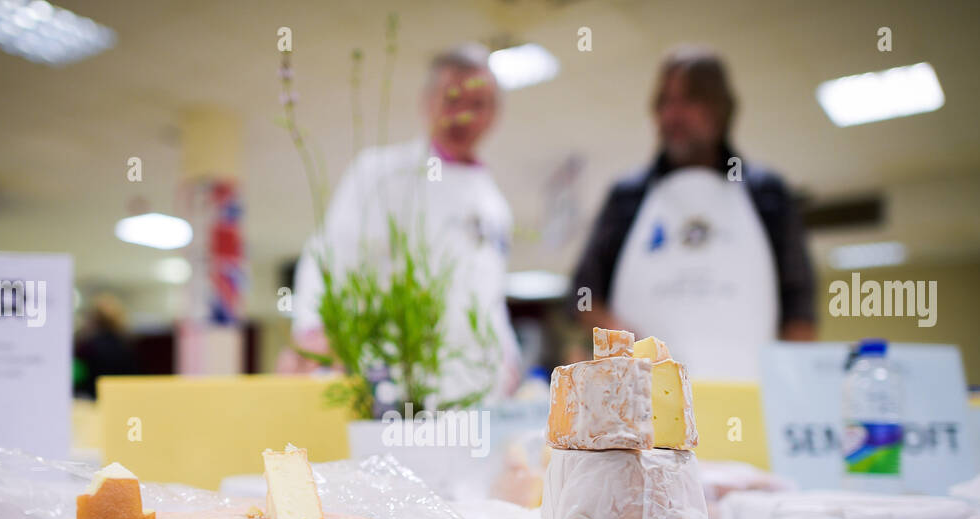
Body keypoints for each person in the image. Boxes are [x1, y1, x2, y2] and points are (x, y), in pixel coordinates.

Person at [281, 43, 521, 405]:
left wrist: (509, 355)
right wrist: (311, 331)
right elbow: (328, 253)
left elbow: (488, 295)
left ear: (495, 115)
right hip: (401, 381)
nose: (464, 116)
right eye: (452, 100)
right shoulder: (381, 173)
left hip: (481, 388)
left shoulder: (495, 204)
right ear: (427, 103)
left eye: (478, 105)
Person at [572, 46, 815, 380]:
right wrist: (629, 350)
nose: (674, 115)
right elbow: (584, 295)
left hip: (748, 397)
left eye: (689, 101)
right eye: (665, 103)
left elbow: (800, 304)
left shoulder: (766, 193)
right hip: (641, 404)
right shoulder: (627, 195)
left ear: (721, 110)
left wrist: (790, 385)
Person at [74, 294, 138, 398]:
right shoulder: (124, 345)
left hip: (93, 399)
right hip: (120, 397)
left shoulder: (88, 347)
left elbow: (77, 376)